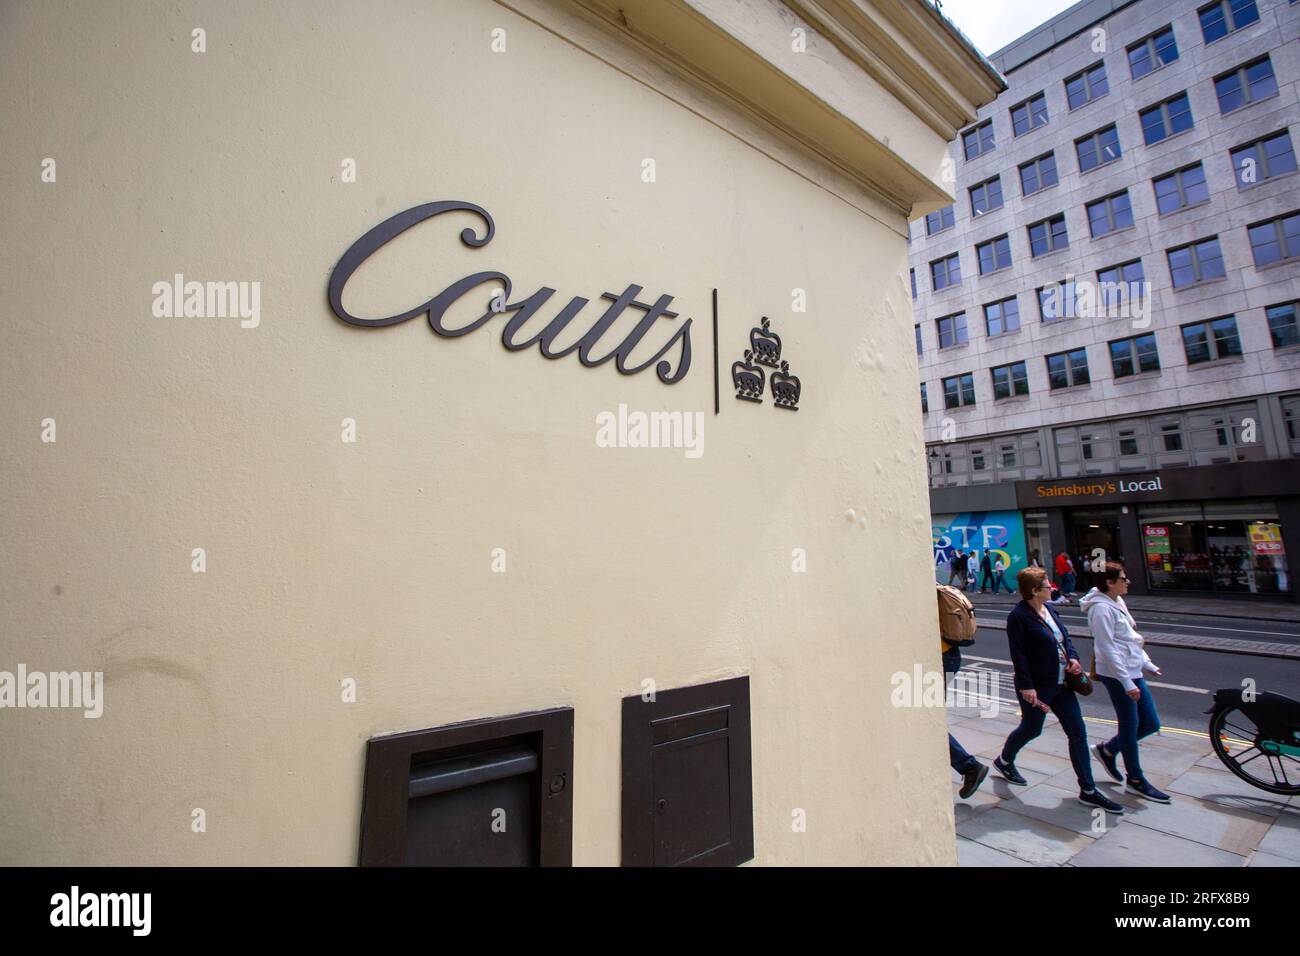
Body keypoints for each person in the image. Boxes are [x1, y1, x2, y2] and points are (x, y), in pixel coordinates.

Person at [993, 567, 1124, 815]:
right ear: (1033, 591)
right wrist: (1027, 686)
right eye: (1046, 586)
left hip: (1063, 683)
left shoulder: (1050, 610)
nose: (1052, 588)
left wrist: (1073, 658)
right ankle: (1005, 760)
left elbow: (1065, 640)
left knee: (1078, 733)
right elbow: (1018, 655)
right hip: (1039, 686)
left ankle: (1088, 789)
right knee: (1032, 729)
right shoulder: (1018, 617)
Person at [1081, 563, 1171, 803]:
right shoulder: (1100, 610)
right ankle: (1136, 780)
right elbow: (1106, 647)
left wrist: (1147, 664)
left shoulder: (1117, 602)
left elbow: (1130, 639)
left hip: (1132, 671)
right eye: (1123, 578)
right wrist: (1126, 682)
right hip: (1117, 675)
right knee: (1130, 726)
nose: (1128, 581)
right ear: (1109, 583)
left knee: (1150, 723)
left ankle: (1107, 750)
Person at [939, 590, 989, 800]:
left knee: (925, 719)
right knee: (925, 717)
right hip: (949, 655)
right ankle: (968, 766)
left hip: (939, 657)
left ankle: (969, 767)